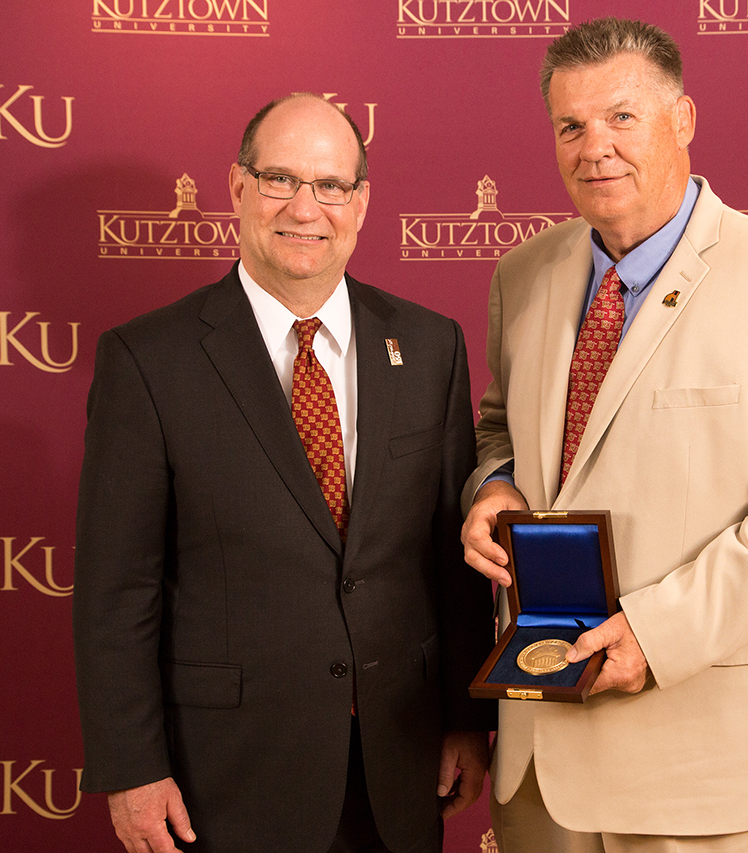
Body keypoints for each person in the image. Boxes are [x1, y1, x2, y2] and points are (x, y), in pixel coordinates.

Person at [460, 17, 748, 853]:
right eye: (570, 126)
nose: (596, 148)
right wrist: (493, 484)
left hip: (704, 768)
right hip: (541, 767)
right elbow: (500, 426)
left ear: (682, 120)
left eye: (623, 117)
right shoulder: (524, 274)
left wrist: (658, 633)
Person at [73, 93, 495, 853]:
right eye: (280, 180)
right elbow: (116, 589)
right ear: (237, 187)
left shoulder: (432, 346)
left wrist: (468, 717)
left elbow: (450, 557)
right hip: (225, 780)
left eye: (331, 185)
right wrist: (132, 767)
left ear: (361, 203)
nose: (307, 207)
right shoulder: (148, 359)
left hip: (398, 768)